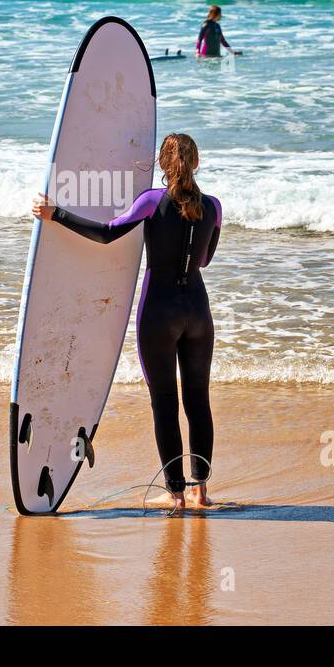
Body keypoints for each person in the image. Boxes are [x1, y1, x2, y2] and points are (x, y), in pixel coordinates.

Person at [31, 133, 222, 512]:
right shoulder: (214, 207)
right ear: (196, 163)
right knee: (198, 400)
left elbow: (106, 233)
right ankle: (201, 491)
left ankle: (176, 494)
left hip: (159, 313)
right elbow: (203, 262)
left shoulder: (152, 201)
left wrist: (57, 214)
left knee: (164, 403)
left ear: (163, 166)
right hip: (198, 313)